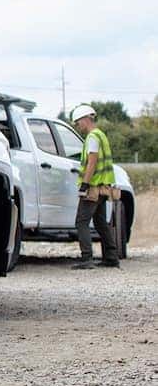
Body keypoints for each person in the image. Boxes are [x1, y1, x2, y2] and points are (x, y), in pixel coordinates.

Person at [69, 104, 119, 270]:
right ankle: (112, 257)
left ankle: (86, 258)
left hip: (93, 187)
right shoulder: (101, 135)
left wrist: (84, 185)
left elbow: (92, 161)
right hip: (104, 187)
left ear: (85, 119)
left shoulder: (92, 137)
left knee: (81, 221)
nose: (78, 126)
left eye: (78, 122)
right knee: (100, 222)